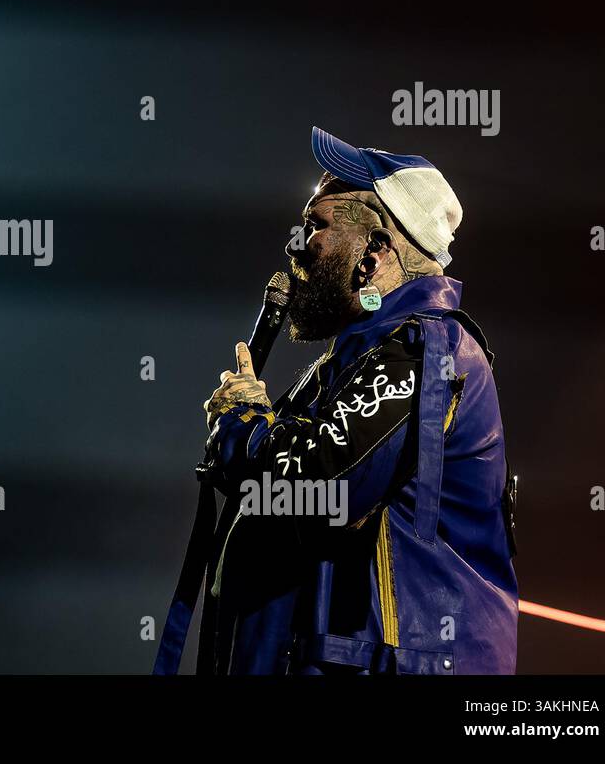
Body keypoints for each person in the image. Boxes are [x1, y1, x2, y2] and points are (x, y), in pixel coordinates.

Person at [175, 126, 518, 674]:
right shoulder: (355, 362)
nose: (294, 246)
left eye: (315, 226)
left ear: (374, 253)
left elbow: (322, 489)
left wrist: (242, 429)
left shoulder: (429, 348)